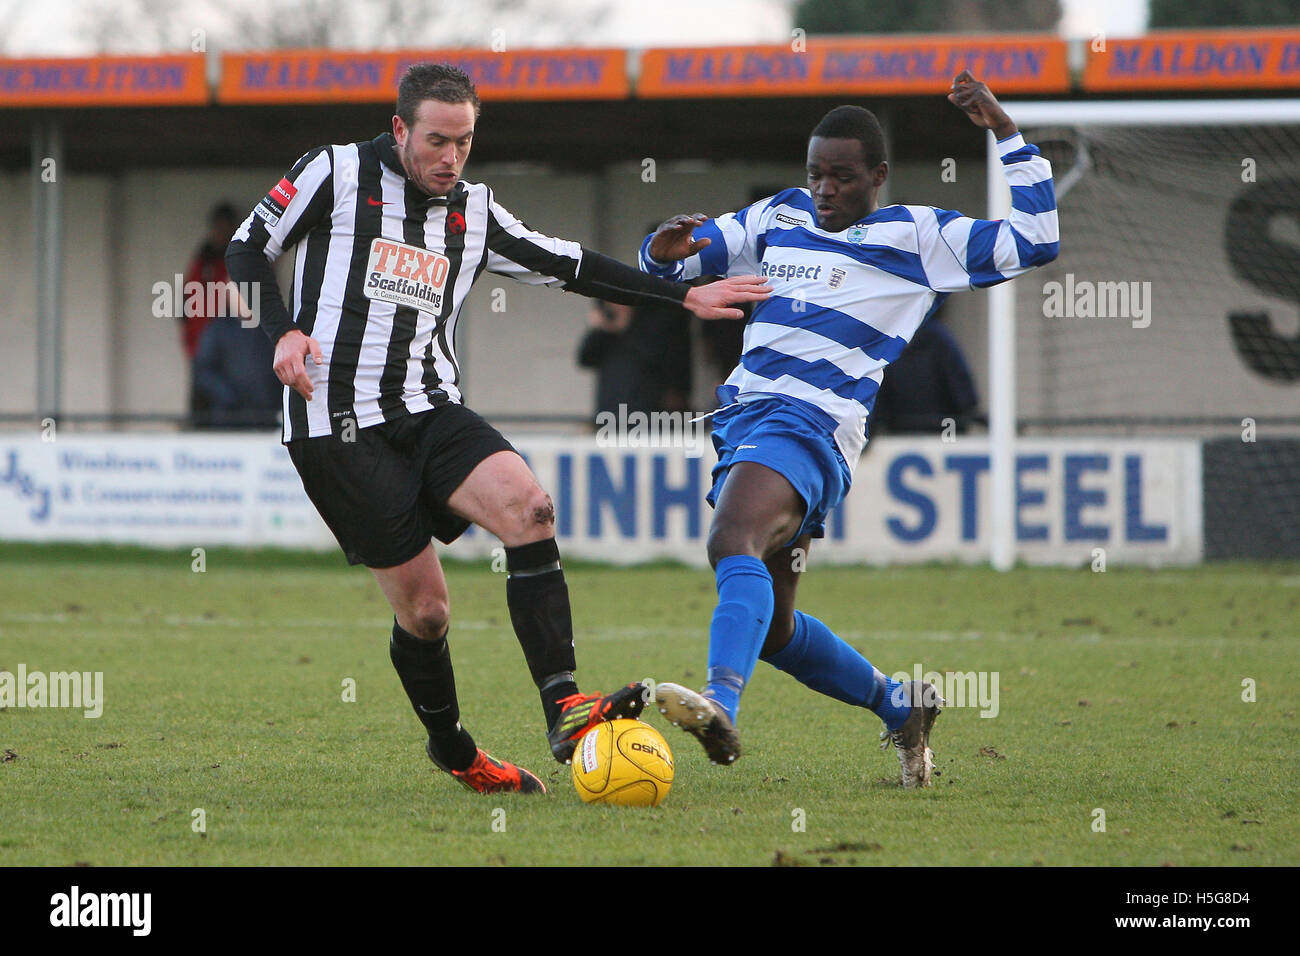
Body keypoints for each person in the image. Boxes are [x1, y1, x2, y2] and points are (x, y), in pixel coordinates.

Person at [225, 63, 769, 795]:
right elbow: (246, 246)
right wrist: (283, 334)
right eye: (436, 140)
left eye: (465, 141)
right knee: (427, 612)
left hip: (430, 407)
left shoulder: (473, 211)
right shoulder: (336, 172)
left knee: (530, 507)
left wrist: (681, 295)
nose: (450, 158)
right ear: (399, 129)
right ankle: (454, 750)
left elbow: (568, 264)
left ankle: (564, 707)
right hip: (335, 421)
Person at [638, 71, 1058, 788]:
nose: (825, 189)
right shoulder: (780, 216)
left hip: (813, 426)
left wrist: (1008, 137)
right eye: (815, 174)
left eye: (841, 176)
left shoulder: (919, 237)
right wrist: (663, 251)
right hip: (748, 422)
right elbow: (688, 261)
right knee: (772, 629)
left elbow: (1035, 241)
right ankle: (899, 705)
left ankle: (720, 704)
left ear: (878, 176)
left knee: (728, 538)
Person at [577, 292, 692, 420]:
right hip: (610, 411)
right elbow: (585, 359)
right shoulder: (604, 333)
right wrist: (600, 331)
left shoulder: (651, 326)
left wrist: (624, 327)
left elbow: (659, 357)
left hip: (645, 410)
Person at [871, 301, 981, 435]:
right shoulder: (888, 341)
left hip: (944, 433)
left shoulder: (938, 338)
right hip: (898, 434)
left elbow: (965, 399)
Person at [182, 202, 239, 425]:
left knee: (229, 402)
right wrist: (191, 345)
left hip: (230, 351)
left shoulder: (237, 258)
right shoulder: (202, 259)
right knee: (202, 402)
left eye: (226, 228)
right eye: (219, 227)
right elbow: (187, 304)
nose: (221, 233)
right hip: (200, 347)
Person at [191, 315, 282, 429]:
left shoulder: (271, 329)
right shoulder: (218, 328)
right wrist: (228, 396)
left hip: (267, 419)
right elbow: (203, 371)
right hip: (228, 420)